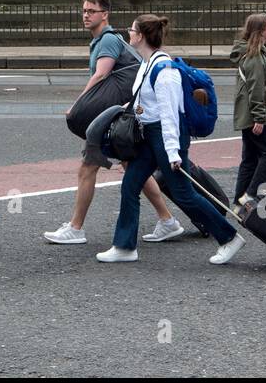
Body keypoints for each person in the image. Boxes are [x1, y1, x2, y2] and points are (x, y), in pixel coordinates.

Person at [96, 14, 244, 265]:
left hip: (165, 138)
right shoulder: (148, 62)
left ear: (141, 36)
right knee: (130, 185)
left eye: (131, 30)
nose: (128, 33)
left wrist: (174, 153)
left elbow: (170, 116)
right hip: (150, 136)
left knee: (184, 194)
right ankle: (124, 246)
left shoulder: (164, 70)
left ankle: (229, 237)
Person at [44, 0, 184, 245]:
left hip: (111, 116)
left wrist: (77, 105)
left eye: (92, 11)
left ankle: (76, 228)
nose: (86, 15)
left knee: (88, 167)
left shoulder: (107, 40)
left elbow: (101, 75)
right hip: (121, 115)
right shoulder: (106, 40)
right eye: (84, 11)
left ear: (105, 14)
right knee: (132, 166)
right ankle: (168, 221)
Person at [230, 13, 266, 206]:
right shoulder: (254, 57)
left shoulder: (254, 52)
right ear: (261, 31)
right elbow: (255, 90)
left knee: (250, 159)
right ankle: (252, 197)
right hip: (254, 116)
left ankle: (238, 203)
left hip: (248, 114)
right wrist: (259, 118)